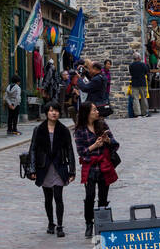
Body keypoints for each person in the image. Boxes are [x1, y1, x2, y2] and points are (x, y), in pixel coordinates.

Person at [27, 101, 76, 237]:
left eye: (56, 110)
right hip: (44, 166)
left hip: (59, 165)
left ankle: (60, 225)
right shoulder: (39, 129)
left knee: (58, 197)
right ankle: (50, 223)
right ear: (46, 112)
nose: (54, 113)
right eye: (51, 110)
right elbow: (33, 149)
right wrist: (32, 169)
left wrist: (72, 170)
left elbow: (70, 150)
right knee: (48, 198)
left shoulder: (63, 130)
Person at [74, 102, 119, 238]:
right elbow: (81, 152)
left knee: (103, 196)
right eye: (94, 110)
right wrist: (94, 146)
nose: (97, 112)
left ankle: (102, 222)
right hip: (90, 166)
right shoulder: (80, 131)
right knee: (89, 196)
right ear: (87, 113)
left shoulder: (102, 125)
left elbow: (115, 144)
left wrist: (107, 141)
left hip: (104, 165)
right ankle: (89, 222)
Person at [128, 53, 149, 117]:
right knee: (143, 98)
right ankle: (144, 113)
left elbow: (131, 73)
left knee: (135, 99)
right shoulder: (142, 64)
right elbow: (146, 72)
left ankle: (137, 114)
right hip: (142, 83)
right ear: (138, 58)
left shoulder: (131, 65)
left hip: (134, 83)